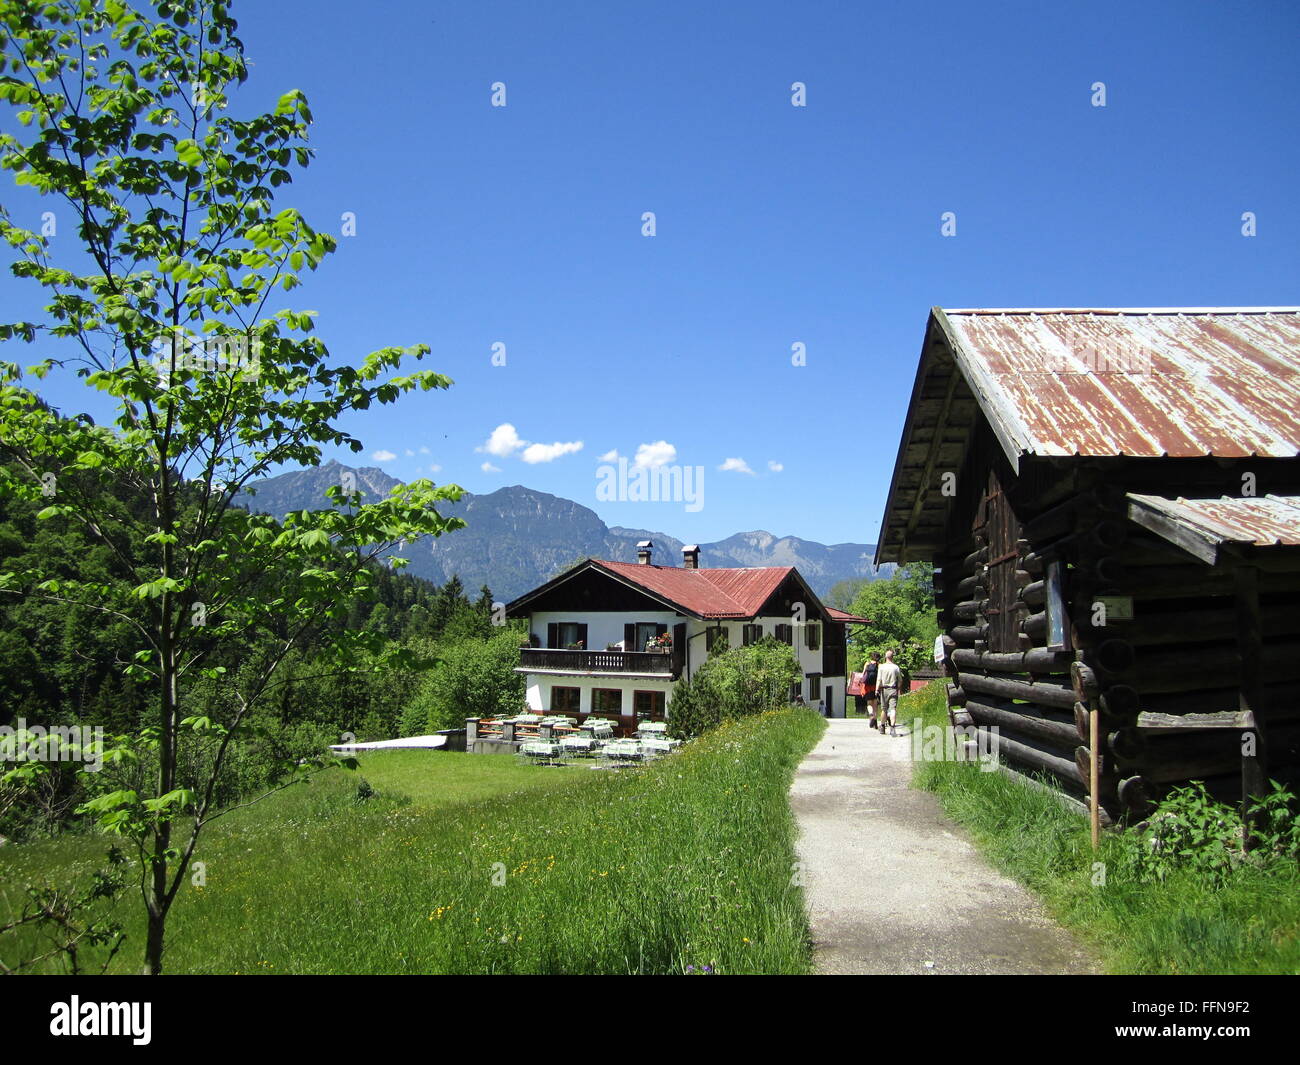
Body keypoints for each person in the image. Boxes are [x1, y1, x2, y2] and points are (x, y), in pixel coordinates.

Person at [876, 650, 902, 736]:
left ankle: (882, 727)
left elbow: (879, 680)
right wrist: (897, 688)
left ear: (885, 657)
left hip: (884, 690)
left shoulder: (881, 667)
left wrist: (876, 690)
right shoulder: (896, 667)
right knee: (893, 709)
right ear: (892, 657)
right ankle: (892, 728)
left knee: (884, 709)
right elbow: (900, 680)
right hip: (893, 689)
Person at [861, 652, 880, 727]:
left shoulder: (867, 663)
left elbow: (863, 675)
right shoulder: (879, 665)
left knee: (869, 703)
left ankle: (871, 715)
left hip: (867, 686)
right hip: (875, 686)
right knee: (875, 704)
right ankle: (875, 721)